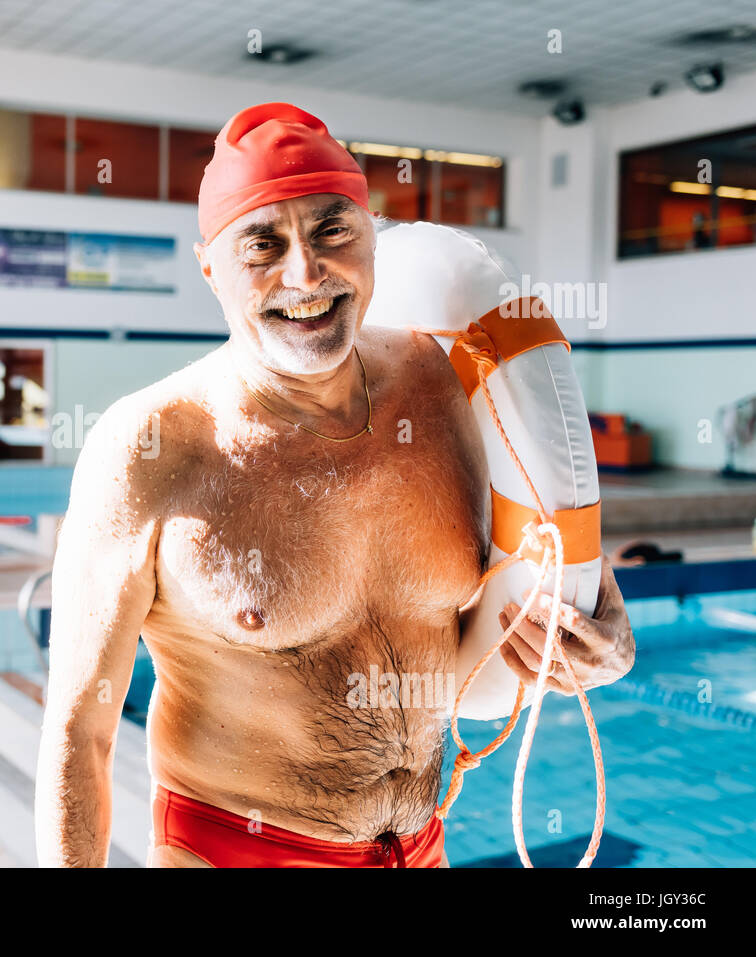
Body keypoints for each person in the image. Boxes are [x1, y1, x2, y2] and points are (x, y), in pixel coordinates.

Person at [34, 103, 635, 868]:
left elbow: (515, 599)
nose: (305, 275)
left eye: (331, 230)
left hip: (420, 845)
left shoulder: (440, 389)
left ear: (371, 234)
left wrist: (596, 642)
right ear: (210, 267)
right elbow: (79, 732)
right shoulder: (150, 450)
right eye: (262, 243)